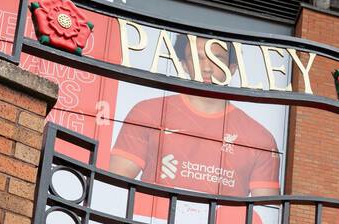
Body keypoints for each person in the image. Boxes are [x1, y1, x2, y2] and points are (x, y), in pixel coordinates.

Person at [109, 33, 281, 199]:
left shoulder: (261, 139)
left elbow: (265, 214)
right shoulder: (147, 112)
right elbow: (114, 187)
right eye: (197, 58)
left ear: (233, 68)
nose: (207, 67)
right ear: (184, 65)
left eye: (217, 59)